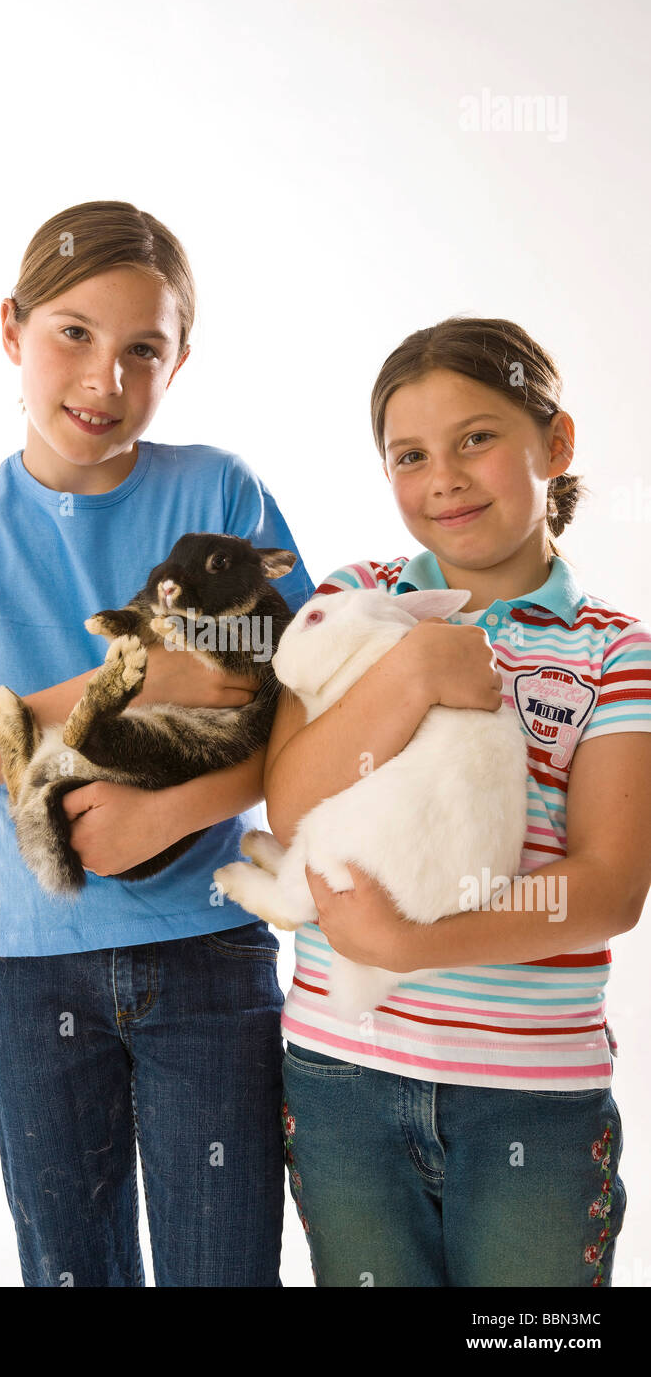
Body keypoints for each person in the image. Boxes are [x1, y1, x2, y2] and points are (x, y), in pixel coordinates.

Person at [0, 200, 315, 1287]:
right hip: (32, 970)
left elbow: (311, 725)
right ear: (11, 328)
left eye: (141, 350)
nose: (103, 379)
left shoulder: (220, 491)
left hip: (211, 953)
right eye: (73, 333)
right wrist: (127, 679)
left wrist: (168, 812)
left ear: (180, 360)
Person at [265, 316, 651, 1287]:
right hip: (340, 1073)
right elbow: (289, 802)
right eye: (408, 454)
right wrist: (406, 682)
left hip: (530, 1094)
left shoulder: (614, 651)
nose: (440, 476)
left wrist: (405, 943)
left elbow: (603, 889)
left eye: (474, 437)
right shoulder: (352, 597)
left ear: (553, 443)